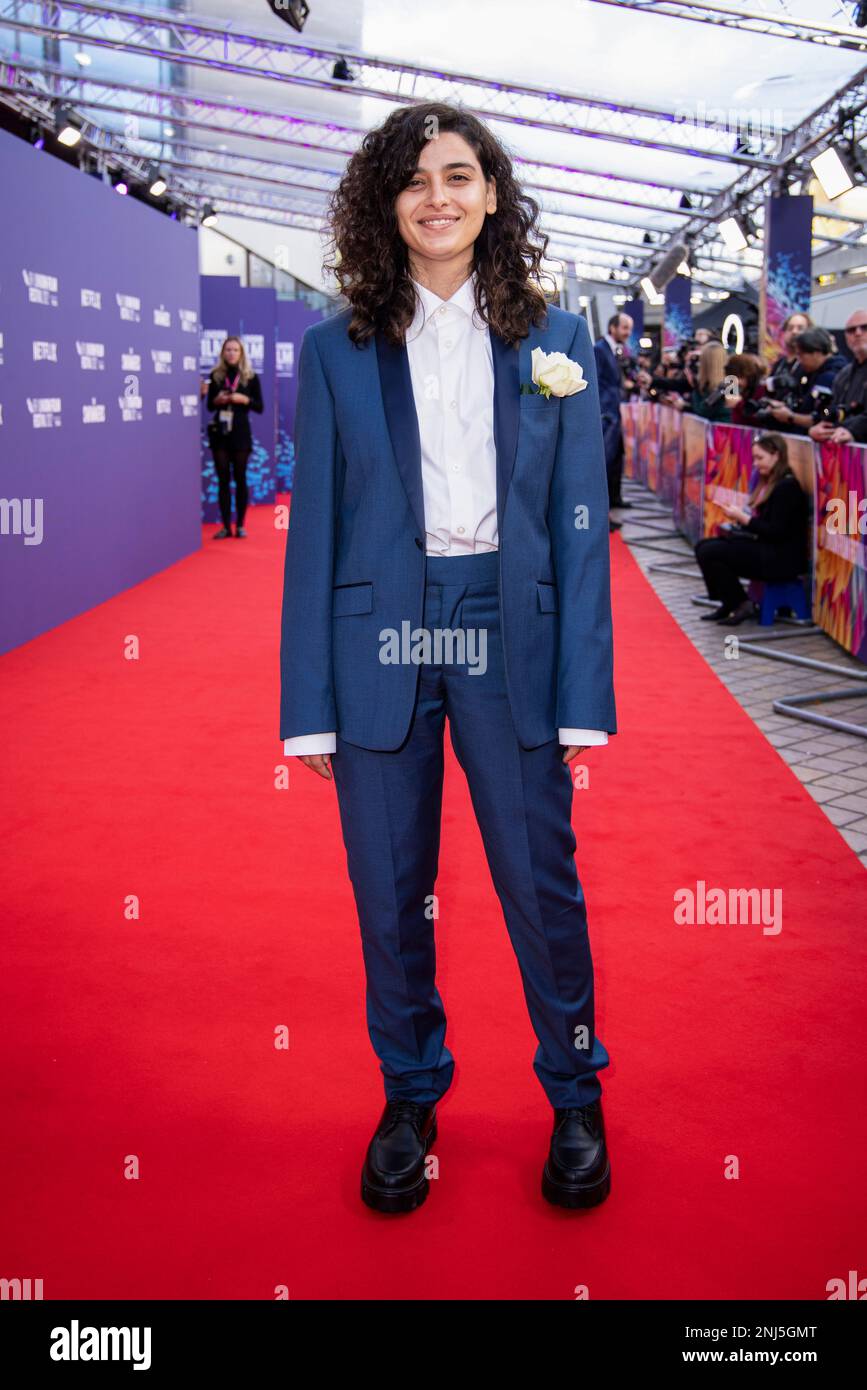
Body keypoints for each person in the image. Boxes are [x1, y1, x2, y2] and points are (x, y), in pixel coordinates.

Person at [279, 101, 617, 1214]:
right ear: (387, 203)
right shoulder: (336, 349)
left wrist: (585, 698)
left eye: (459, 175)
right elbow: (316, 533)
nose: (438, 196)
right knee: (389, 887)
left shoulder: (560, 344)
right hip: (378, 632)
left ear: (491, 195)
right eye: (415, 178)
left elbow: (580, 530)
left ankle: (574, 1091)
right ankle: (410, 1091)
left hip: (506, 631)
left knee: (540, 881)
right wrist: (309, 709)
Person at [694, 432, 809, 626]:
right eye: (754, 458)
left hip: (780, 557)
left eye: (760, 458)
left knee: (711, 552)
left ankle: (740, 603)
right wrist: (741, 521)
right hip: (767, 547)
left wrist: (744, 519)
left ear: (776, 455)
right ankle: (730, 601)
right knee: (703, 546)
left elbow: (776, 531)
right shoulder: (769, 482)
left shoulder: (787, 487)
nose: (755, 464)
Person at [206, 337, 264, 539]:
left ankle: (240, 525)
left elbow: (260, 407)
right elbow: (210, 406)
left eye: (235, 350)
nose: (231, 353)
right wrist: (217, 399)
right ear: (222, 352)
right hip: (220, 433)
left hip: (240, 433)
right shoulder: (216, 376)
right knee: (223, 479)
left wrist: (244, 399)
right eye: (228, 349)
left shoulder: (250, 377)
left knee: (240, 478)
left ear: (241, 353)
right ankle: (225, 526)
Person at [594, 311, 634, 527]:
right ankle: (603, 515)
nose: (628, 333)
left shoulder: (615, 350)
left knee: (616, 458)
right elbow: (597, 382)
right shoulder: (599, 350)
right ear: (613, 328)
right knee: (605, 463)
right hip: (606, 414)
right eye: (625, 328)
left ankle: (615, 500)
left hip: (615, 412)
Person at [761, 328, 837, 435]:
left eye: (801, 355)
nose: (799, 360)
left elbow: (823, 415)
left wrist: (791, 417)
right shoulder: (812, 374)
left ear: (816, 352)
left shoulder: (829, 377)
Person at [808, 310, 867, 446]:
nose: (858, 333)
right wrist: (817, 428)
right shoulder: (844, 374)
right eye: (851, 330)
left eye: (865, 327)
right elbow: (830, 410)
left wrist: (853, 431)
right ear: (845, 337)